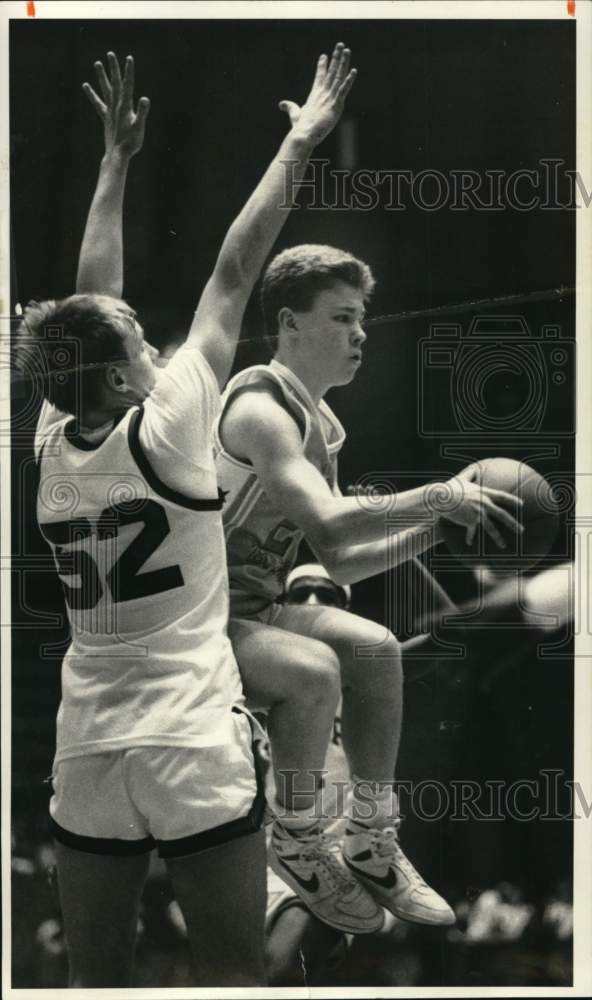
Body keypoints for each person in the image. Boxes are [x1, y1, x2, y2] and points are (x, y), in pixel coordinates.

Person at [16, 46, 357, 987]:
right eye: (142, 346)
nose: (158, 348)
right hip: (190, 736)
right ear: (127, 376)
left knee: (99, 979)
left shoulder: (53, 436)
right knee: (230, 973)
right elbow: (238, 265)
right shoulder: (168, 427)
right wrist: (302, 137)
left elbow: (94, 301)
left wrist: (112, 168)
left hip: (87, 746)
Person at [214, 244, 524, 933]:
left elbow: (337, 559)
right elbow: (328, 517)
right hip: (195, 618)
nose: (359, 334)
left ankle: (369, 836)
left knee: (378, 647)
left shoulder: (321, 425)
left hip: (254, 608)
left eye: (363, 319)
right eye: (342, 317)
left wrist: (437, 531)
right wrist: (440, 492)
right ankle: (296, 836)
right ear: (289, 324)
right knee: (316, 669)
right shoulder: (259, 407)